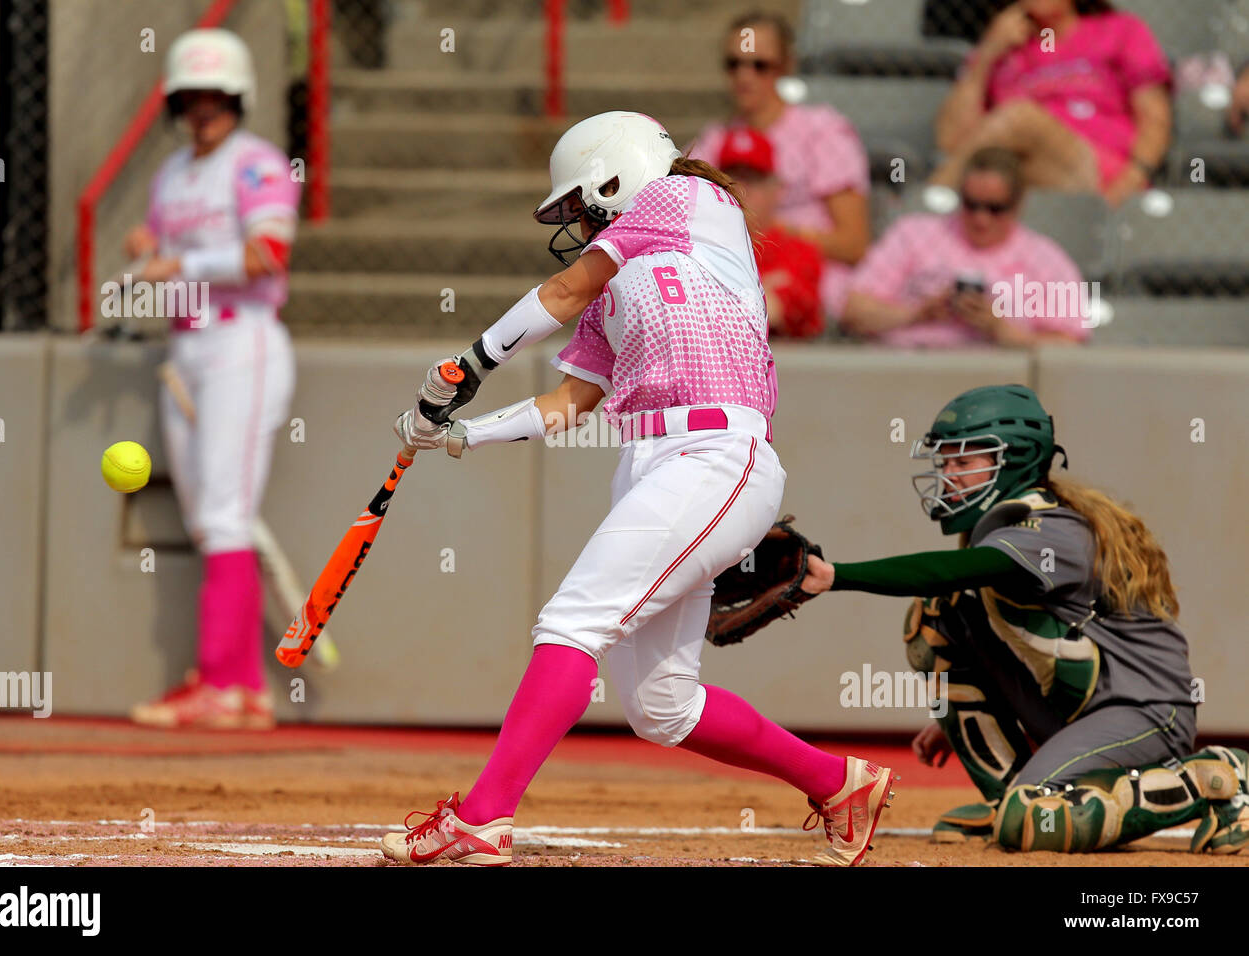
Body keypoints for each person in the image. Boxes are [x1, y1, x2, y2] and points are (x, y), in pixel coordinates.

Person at [380, 111, 894, 868]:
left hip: (716, 450)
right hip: (657, 464)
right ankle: (839, 782)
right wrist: (459, 433)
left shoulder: (689, 199)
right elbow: (567, 405)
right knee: (662, 707)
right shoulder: (620, 282)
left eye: (587, 203)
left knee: (571, 623)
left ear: (619, 175)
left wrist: (470, 362)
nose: (582, 223)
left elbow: (561, 289)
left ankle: (484, 818)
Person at [796, 384, 1248, 854]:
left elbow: (949, 572)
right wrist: (960, 713)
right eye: (945, 461)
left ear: (1014, 460)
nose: (948, 475)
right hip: (1081, 710)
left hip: (1144, 713)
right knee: (937, 617)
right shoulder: (1001, 526)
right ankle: (1015, 797)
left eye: (964, 462)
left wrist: (835, 576)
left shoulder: (1052, 530)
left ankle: (1215, 778)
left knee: (1031, 821)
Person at [126, 29, 300, 730]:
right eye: (192, 100)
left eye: (217, 98)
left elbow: (269, 253)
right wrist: (147, 253)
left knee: (225, 513)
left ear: (238, 100)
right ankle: (239, 686)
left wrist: (179, 266)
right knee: (209, 519)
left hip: (242, 342)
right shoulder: (172, 173)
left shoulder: (255, 163)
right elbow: (160, 253)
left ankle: (225, 686)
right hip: (188, 347)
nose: (204, 111)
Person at [691, 10, 870, 322]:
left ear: (785, 66)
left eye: (759, 65)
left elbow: (853, 243)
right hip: (735, 273)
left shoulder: (822, 130)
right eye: (735, 64)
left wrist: (779, 236)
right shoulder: (715, 139)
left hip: (809, 277)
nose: (745, 77)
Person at [932, 0, 1171, 207]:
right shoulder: (1004, 50)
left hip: (1095, 173)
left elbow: (1155, 118)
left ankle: (925, 210)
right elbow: (951, 141)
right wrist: (986, 53)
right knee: (1003, 156)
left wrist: (1129, 184)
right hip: (1022, 179)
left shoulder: (1119, 29)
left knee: (1021, 119)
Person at [843, 147, 1090, 346]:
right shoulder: (912, 234)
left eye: (995, 208)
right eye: (971, 205)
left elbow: (1071, 344)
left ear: (1017, 205)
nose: (981, 219)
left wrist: (1002, 329)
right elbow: (853, 312)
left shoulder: (1045, 257)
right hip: (910, 371)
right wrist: (917, 313)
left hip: (1002, 385)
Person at [716, 127, 824, 339]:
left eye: (753, 179)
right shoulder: (698, 246)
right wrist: (760, 290)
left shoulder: (800, 251)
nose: (740, 189)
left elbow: (778, 312)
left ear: (776, 189)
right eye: (731, 178)